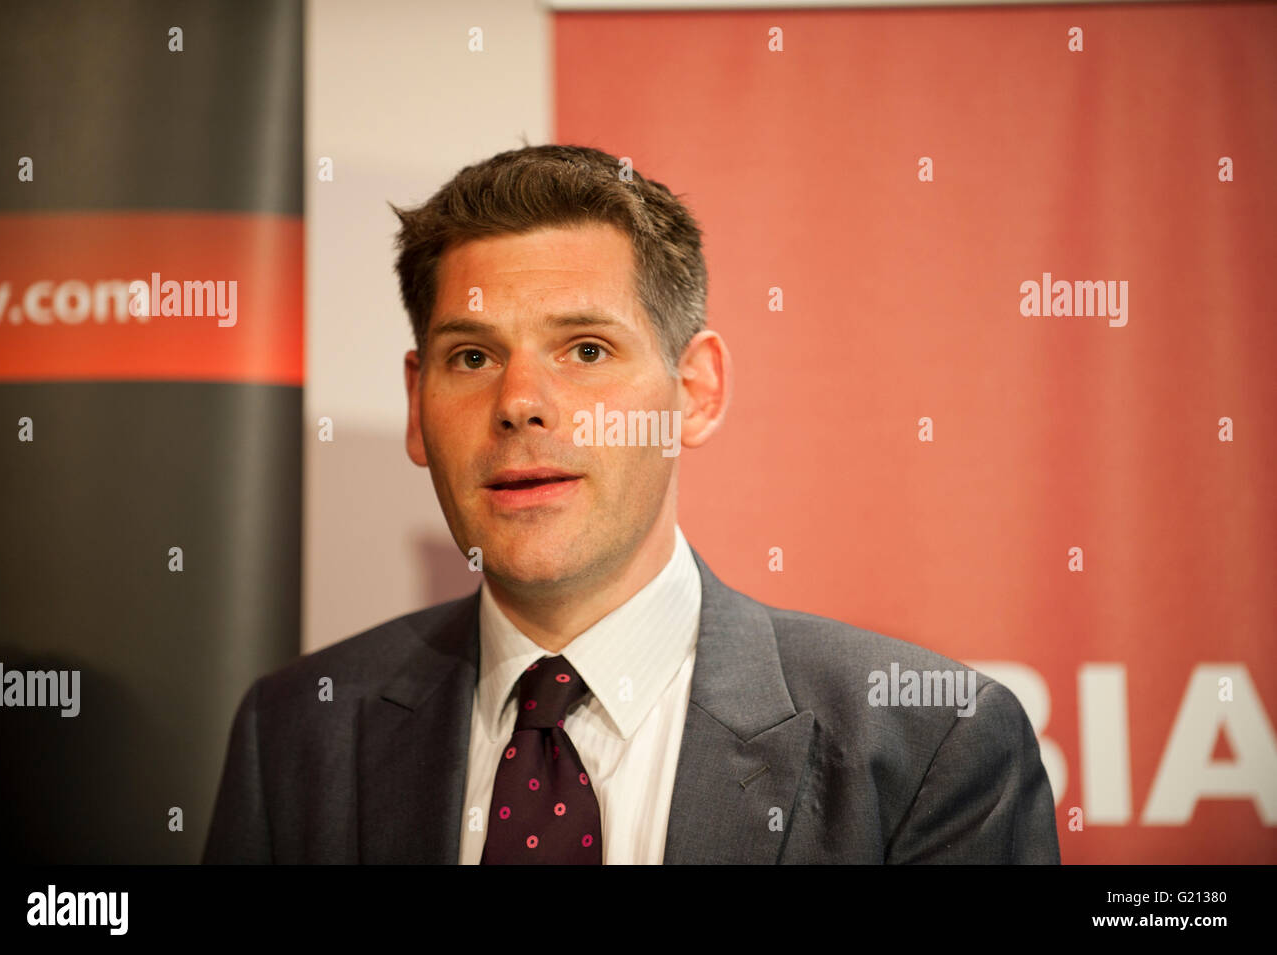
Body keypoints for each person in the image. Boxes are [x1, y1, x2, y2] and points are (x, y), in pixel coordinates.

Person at [202, 143, 1060, 864]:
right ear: (417, 404)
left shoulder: (928, 745)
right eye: (471, 357)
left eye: (584, 348)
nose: (520, 401)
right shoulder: (296, 734)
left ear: (695, 390)